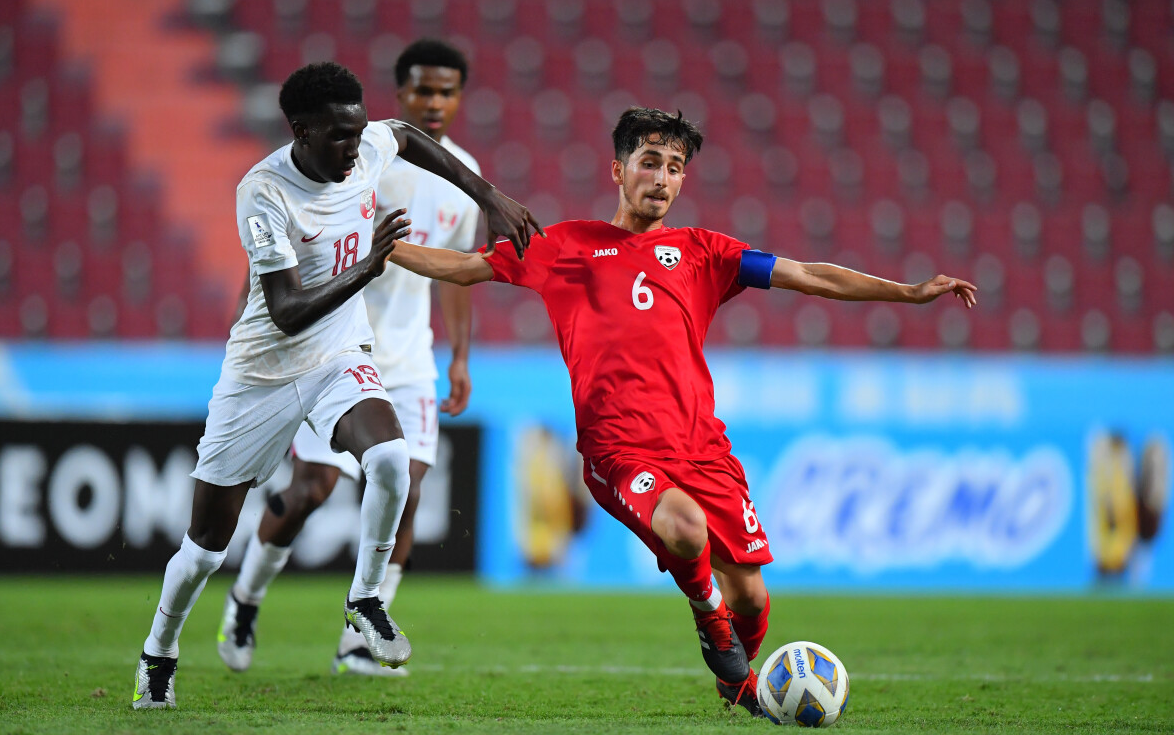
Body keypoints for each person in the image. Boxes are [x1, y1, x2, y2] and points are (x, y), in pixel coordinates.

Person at [383, 107, 977, 716]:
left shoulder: (704, 253)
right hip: (618, 451)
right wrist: (385, 249)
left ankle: (733, 681)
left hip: (703, 450)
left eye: (674, 167)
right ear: (618, 170)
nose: (662, 178)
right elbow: (464, 268)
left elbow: (807, 275)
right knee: (687, 530)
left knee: (751, 597)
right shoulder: (563, 245)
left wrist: (907, 293)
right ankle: (708, 620)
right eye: (649, 163)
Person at [131, 61, 541, 710]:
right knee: (205, 547)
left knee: (392, 460)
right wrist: (368, 266)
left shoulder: (367, 147)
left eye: (358, 131)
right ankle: (159, 651)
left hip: (341, 359)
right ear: (301, 131)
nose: (355, 147)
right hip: (262, 374)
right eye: (340, 136)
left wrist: (487, 196)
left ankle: (365, 601)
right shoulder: (263, 191)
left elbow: (404, 134)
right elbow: (286, 311)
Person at [216, 40, 483, 677]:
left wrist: (460, 356)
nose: (435, 102)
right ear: (401, 93)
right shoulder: (359, 158)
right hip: (330, 350)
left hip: (409, 359)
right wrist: (248, 322)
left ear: (459, 98)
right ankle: (245, 598)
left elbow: (455, 272)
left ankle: (359, 636)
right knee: (312, 490)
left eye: (446, 92)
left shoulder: (463, 173)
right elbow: (282, 255)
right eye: (423, 90)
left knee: (408, 490)